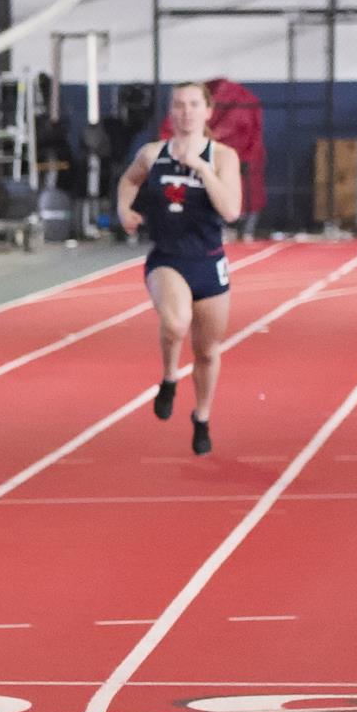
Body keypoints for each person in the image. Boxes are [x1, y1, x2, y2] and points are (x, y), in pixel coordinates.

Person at [118, 81, 244, 456]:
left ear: (208, 112)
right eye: (178, 105)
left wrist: (202, 168)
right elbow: (129, 179)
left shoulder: (223, 157)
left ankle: (201, 417)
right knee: (175, 323)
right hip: (167, 259)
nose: (186, 112)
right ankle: (170, 378)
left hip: (209, 262)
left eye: (193, 105)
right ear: (170, 112)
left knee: (207, 352)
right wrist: (124, 210)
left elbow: (231, 210)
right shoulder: (152, 153)